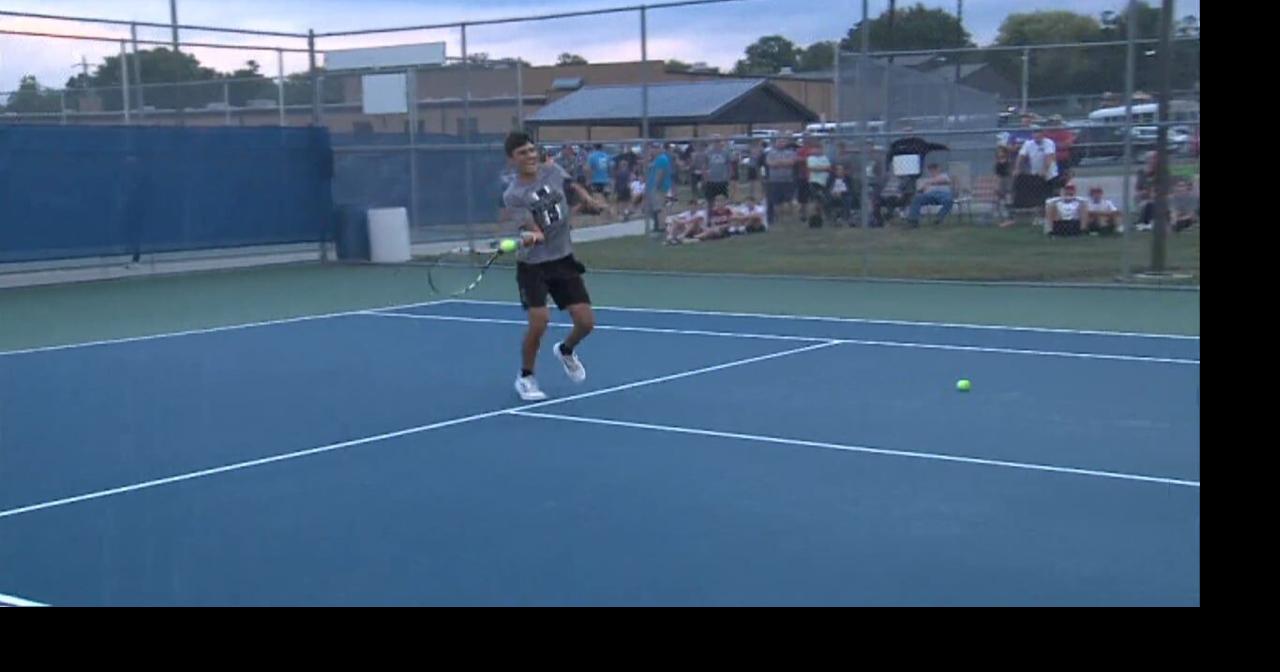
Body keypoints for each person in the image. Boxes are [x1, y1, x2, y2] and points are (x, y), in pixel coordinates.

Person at [502, 131, 610, 401]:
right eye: (522, 153)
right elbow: (531, 226)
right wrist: (534, 234)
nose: (529, 156)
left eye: (531, 150)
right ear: (511, 160)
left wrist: (588, 201)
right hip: (533, 265)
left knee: (586, 323)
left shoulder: (552, 170)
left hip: (562, 259)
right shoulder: (513, 194)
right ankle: (526, 377)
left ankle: (565, 350)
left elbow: (571, 185)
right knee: (540, 322)